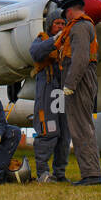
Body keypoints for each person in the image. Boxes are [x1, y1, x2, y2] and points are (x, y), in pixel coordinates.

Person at [57, 0, 101, 185]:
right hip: (82, 79)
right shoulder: (82, 26)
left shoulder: (80, 27)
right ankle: (90, 173)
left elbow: (80, 59)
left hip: (80, 81)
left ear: (69, 12)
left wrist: (70, 84)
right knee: (81, 125)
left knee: (81, 126)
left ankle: (91, 175)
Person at [29, 10, 70, 182]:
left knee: (64, 135)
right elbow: (35, 52)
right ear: (50, 25)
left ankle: (60, 174)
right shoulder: (42, 40)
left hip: (62, 94)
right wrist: (55, 40)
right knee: (48, 131)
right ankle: (42, 173)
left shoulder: (67, 45)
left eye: (63, 24)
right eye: (57, 24)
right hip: (47, 94)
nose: (60, 27)